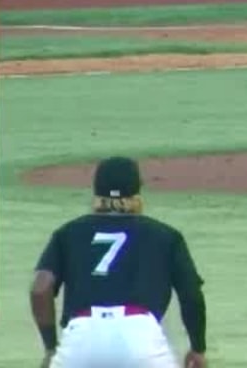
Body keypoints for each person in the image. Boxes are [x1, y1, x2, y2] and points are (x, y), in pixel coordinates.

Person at [30, 156, 208, 368]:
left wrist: (51, 347)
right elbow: (191, 296)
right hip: (140, 336)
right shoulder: (166, 236)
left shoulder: (68, 233)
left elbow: (40, 288)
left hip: (82, 337)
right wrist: (197, 348)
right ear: (137, 191)